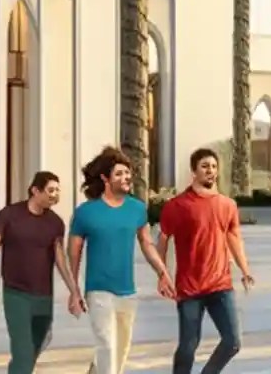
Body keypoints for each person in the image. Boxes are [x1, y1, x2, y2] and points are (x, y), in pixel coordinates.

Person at [69, 146, 176, 374]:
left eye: (127, 173)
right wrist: (74, 290)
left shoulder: (136, 209)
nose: (126, 177)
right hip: (98, 291)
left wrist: (163, 272)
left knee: (119, 351)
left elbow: (147, 244)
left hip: (127, 291)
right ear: (105, 178)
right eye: (119, 173)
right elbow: (74, 252)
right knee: (107, 346)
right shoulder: (86, 212)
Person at [0, 171, 84, 374]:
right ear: (35, 190)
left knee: (37, 344)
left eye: (57, 191)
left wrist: (74, 291)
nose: (55, 195)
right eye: (50, 190)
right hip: (16, 294)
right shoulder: (8, 216)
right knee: (23, 350)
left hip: (44, 296)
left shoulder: (55, 223)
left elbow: (60, 258)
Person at [158, 148, 254, 374]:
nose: (210, 170)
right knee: (188, 346)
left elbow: (233, 237)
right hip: (189, 287)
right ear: (194, 171)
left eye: (213, 166)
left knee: (233, 341)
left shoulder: (227, 205)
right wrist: (162, 274)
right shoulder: (177, 205)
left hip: (220, 284)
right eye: (204, 166)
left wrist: (245, 269)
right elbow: (162, 239)